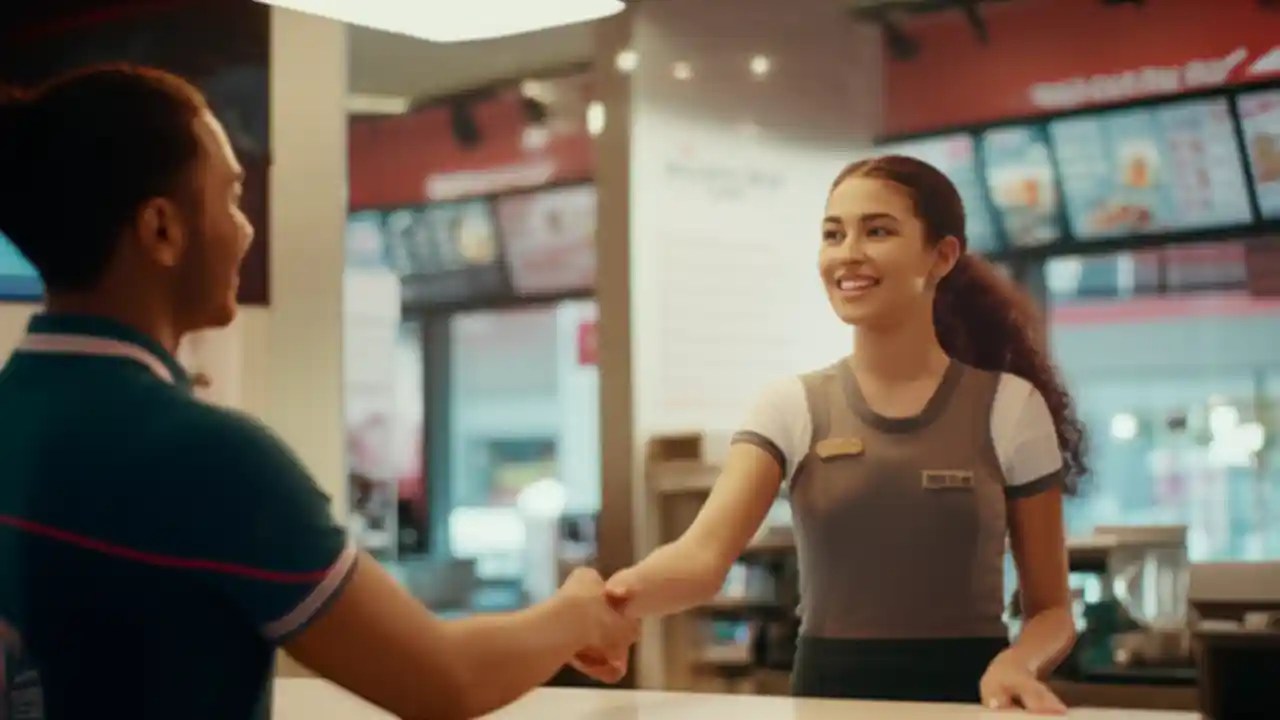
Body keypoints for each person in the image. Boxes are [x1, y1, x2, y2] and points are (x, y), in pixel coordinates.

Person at [0, 64, 635, 720]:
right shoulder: (206, 459)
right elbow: (446, 680)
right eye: (231, 198)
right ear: (162, 229)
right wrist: (579, 614)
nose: (246, 229)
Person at [577, 155, 1086, 713]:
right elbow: (699, 559)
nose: (848, 253)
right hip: (826, 701)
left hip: (969, 703)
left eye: (878, 231)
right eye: (833, 234)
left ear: (941, 256)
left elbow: (1051, 611)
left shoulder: (1010, 408)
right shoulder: (790, 405)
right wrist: (605, 604)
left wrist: (1017, 663)